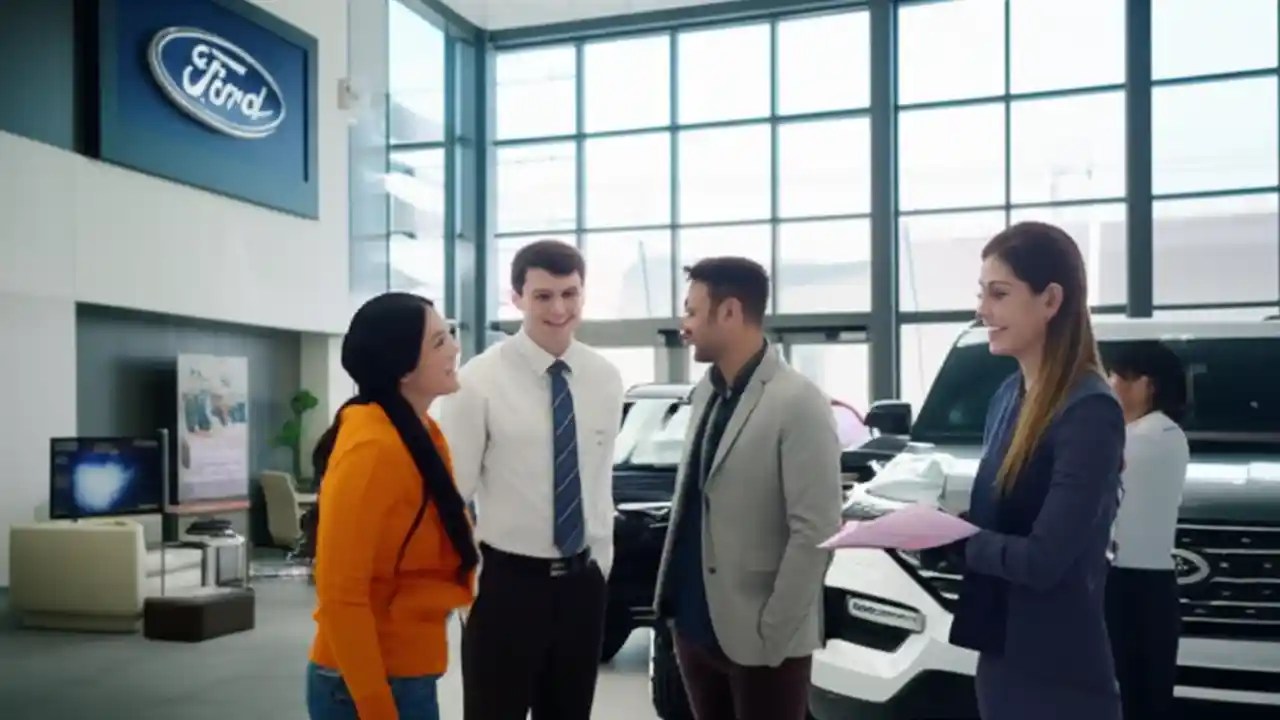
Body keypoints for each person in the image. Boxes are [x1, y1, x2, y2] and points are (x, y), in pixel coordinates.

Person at [435, 239, 625, 720]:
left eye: (570, 293)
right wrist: (469, 588)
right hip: (505, 586)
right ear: (517, 297)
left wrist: (600, 562)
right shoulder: (477, 381)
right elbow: (451, 494)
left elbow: (599, 479)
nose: (559, 308)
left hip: (583, 584)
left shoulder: (605, 378)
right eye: (543, 296)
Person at [944, 222, 1125, 720]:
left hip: (1057, 670)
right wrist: (945, 525)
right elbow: (1005, 518)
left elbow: (1046, 559)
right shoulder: (1008, 398)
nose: (983, 311)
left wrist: (956, 539)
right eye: (982, 295)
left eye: (998, 294)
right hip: (1001, 650)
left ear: (1050, 301)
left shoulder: (1089, 410)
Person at [652, 257, 843, 720]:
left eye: (693, 312)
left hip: (762, 640)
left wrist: (773, 634)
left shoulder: (799, 402)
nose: (685, 325)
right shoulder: (707, 393)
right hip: (695, 631)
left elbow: (816, 531)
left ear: (731, 312)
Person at [305, 292, 480, 720]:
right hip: (365, 683)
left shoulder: (421, 432)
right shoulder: (372, 449)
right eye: (439, 342)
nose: (456, 348)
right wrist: (375, 705)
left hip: (407, 671)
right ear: (403, 367)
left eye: (450, 335)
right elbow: (340, 593)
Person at [1105, 340, 1190, 720]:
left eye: (1117, 377)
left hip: (1136, 588)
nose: (1109, 385)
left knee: (1136, 699)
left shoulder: (1154, 437)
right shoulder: (1139, 435)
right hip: (1129, 584)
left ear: (1146, 385)